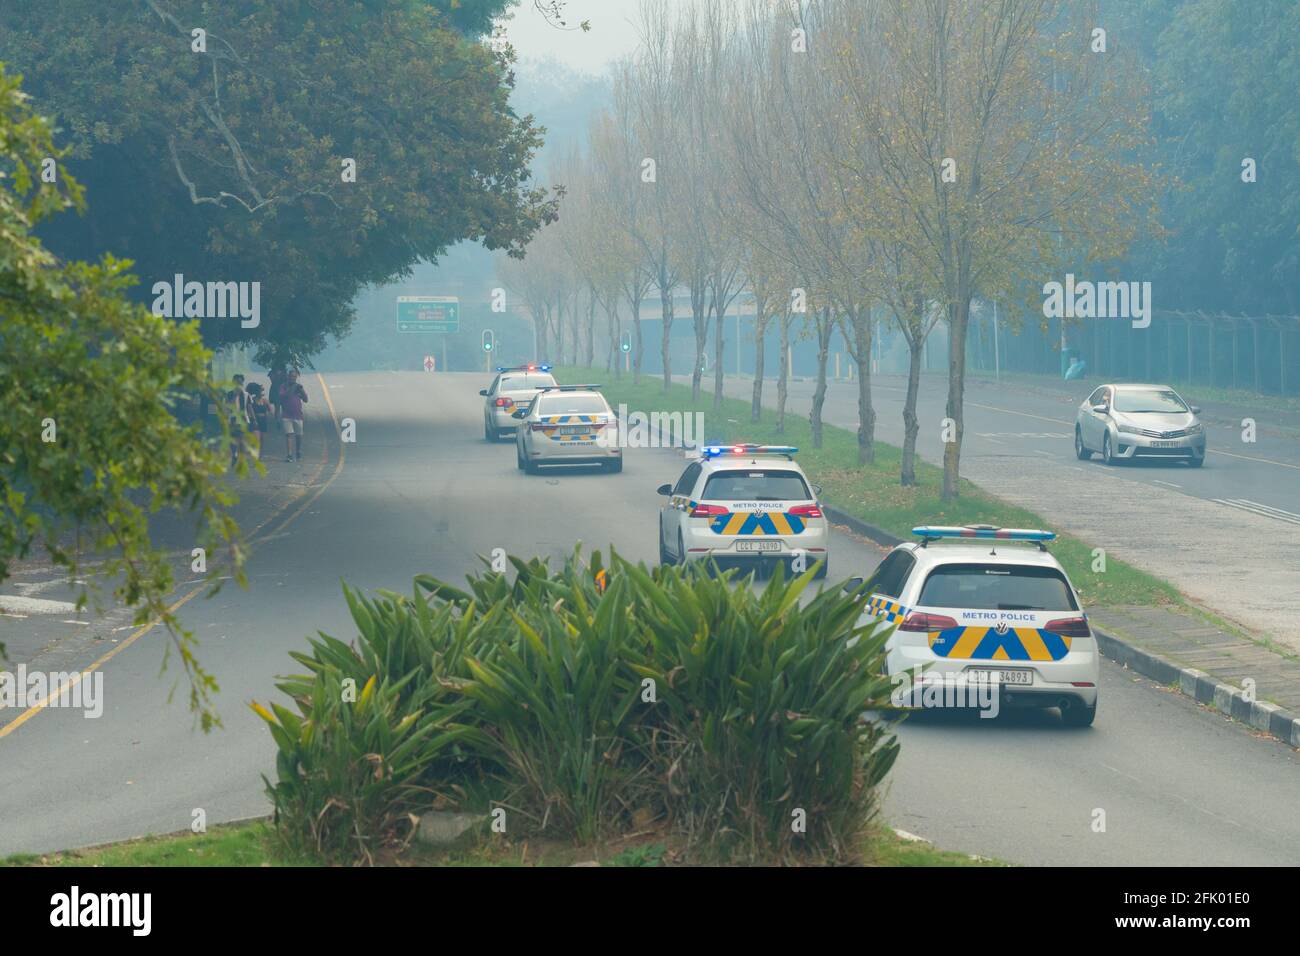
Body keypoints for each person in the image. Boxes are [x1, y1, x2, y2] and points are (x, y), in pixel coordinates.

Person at [278, 370, 308, 461]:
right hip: (286, 415)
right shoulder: (283, 386)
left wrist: (301, 391)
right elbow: (285, 395)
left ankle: (298, 451)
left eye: (294, 377)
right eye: (291, 376)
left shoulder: (298, 387)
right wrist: (293, 387)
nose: (293, 378)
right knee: (288, 435)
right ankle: (289, 454)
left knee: (299, 435)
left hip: (298, 415)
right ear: (288, 376)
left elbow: (306, 399)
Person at [226, 374, 251, 467]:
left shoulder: (246, 394)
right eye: (236, 382)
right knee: (232, 439)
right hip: (232, 419)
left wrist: (253, 419)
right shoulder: (229, 394)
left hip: (243, 419)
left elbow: (249, 407)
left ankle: (242, 458)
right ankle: (234, 454)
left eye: (240, 382)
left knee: (242, 439)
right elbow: (228, 406)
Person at [245, 381, 271, 458]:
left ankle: (260, 454)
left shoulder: (265, 401)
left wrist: (267, 413)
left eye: (262, 391)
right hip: (255, 420)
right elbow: (249, 409)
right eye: (260, 391)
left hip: (263, 421)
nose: (261, 392)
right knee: (257, 438)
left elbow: (270, 410)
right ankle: (255, 453)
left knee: (262, 439)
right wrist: (253, 419)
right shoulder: (252, 400)